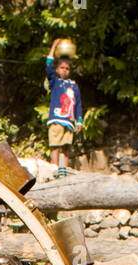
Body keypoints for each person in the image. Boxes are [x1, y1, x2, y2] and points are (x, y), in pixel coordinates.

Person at [45, 41, 83, 172]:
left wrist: (79, 120)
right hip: (56, 118)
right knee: (55, 145)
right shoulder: (55, 82)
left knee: (66, 146)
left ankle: (63, 170)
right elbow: (48, 65)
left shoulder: (73, 85)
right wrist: (53, 47)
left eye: (67, 68)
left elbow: (78, 104)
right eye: (62, 68)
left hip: (69, 120)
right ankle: (54, 169)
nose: (64, 70)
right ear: (57, 69)